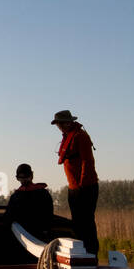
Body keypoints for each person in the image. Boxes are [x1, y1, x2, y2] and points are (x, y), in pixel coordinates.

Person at [52, 110, 99, 256]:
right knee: (77, 224)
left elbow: (87, 161)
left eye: (59, 123)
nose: (58, 127)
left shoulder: (81, 136)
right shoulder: (67, 137)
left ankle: (91, 255)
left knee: (87, 223)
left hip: (85, 187)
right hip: (73, 188)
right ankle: (81, 254)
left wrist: (82, 185)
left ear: (68, 122)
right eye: (57, 124)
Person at [4, 164, 54, 244]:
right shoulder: (43, 193)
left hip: (32, 234)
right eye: (21, 177)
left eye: (25, 177)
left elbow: (8, 216)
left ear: (31, 176)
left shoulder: (16, 196)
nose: (23, 180)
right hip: (29, 234)